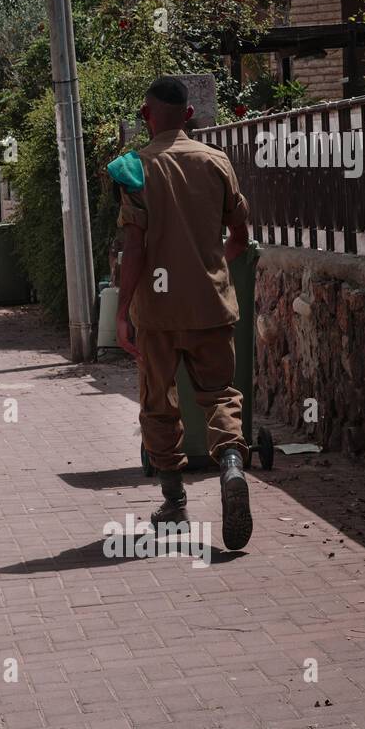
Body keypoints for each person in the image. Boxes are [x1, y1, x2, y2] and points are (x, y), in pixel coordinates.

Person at [113, 76, 253, 550]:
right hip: (212, 306)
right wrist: (209, 267)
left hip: (158, 313)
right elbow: (240, 235)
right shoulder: (217, 162)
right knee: (219, 394)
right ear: (190, 115)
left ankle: (173, 502)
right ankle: (231, 465)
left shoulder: (136, 168)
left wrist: (122, 308)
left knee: (159, 402)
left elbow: (134, 248)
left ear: (146, 116)